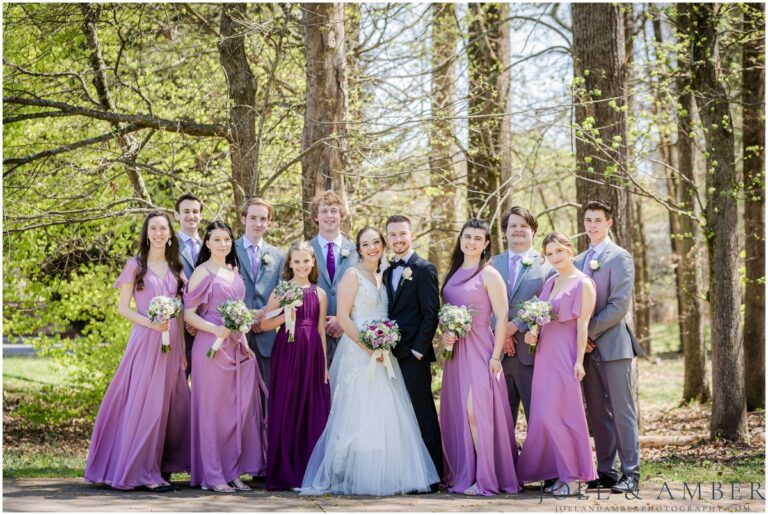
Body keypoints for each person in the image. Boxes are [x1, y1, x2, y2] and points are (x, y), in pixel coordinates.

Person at [300, 227, 439, 496]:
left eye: (376, 242)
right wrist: (368, 347)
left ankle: (386, 472)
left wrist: (382, 346)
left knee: (387, 412)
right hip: (359, 350)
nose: (372, 247)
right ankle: (353, 471)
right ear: (359, 249)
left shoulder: (383, 274)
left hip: (385, 351)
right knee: (358, 411)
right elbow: (343, 317)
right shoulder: (352, 275)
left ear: (383, 245)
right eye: (366, 244)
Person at [85, 211, 190, 492]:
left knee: (167, 407)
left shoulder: (176, 266)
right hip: (145, 339)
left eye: (163, 228)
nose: (158, 233)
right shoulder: (136, 265)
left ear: (170, 234)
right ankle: (141, 472)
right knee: (147, 404)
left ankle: (159, 467)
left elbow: (179, 312)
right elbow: (123, 308)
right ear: (146, 233)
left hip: (172, 344)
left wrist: (182, 350)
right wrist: (150, 324)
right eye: (153, 228)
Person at [440, 219, 520, 496]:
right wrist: (446, 333)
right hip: (456, 351)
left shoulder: (489, 274)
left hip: (481, 348)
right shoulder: (452, 273)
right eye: (467, 236)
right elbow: (444, 313)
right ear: (460, 239)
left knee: (477, 412)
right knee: (460, 413)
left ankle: (487, 477)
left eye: (477, 238)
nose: (471, 242)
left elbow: (502, 315)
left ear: (486, 243)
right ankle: (467, 472)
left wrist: (496, 356)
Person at [184, 220, 266, 493]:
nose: (223, 244)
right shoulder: (201, 272)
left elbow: (239, 310)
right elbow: (189, 314)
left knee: (236, 412)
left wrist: (246, 336)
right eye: (216, 239)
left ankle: (233, 472)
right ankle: (213, 474)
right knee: (213, 412)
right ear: (207, 243)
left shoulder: (234, 271)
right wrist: (214, 328)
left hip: (235, 345)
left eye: (227, 239)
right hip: (211, 347)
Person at [517, 232, 598, 496]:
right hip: (544, 354)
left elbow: (583, 326)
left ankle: (575, 478)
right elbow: (539, 317)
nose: (554, 257)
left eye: (558, 251)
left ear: (570, 250)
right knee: (543, 416)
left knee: (563, 415)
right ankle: (561, 473)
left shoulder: (584, 283)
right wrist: (532, 333)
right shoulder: (551, 282)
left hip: (565, 354)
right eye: (549, 254)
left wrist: (579, 361)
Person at [574, 200, 644, 494]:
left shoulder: (620, 257)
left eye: (598, 220)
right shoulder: (577, 261)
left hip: (614, 347)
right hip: (585, 351)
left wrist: (587, 333)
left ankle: (631, 473)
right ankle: (606, 471)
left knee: (621, 410)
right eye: (588, 220)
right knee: (597, 412)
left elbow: (618, 306)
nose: (592, 226)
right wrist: (580, 340)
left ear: (609, 223)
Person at [259, 241, 331, 491]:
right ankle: (285, 473)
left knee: (311, 408)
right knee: (287, 406)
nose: (302, 265)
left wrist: (324, 364)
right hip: (287, 352)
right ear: (290, 263)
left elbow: (320, 330)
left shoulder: (320, 293)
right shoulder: (281, 290)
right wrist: (285, 315)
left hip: (312, 354)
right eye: (297, 261)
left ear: (313, 262)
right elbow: (264, 324)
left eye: (306, 261)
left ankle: (308, 471)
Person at [382, 214, 444, 487]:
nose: (398, 239)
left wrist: (419, 350)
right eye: (393, 235)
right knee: (400, 414)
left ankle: (433, 475)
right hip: (389, 353)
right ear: (387, 238)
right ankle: (408, 472)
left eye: (402, 233)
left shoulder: (424, 268)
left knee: (422, 413)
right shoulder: (386, 272)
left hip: (414, 356)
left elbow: (431, 314)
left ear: (412, 235)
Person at [491, 206, 553, 430]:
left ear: (533, 230)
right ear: (505, 231)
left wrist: (515, 326)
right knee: (501, 419)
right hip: (498, 353)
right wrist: (502, 333)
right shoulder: (491, 264)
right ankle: (507, 454)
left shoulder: (547, 263)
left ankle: (536, 454)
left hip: (533, 352)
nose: (518, 230)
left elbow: (548, 301)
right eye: (513, 226)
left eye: (523, 226)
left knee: (537, 416)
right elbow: (485, 302)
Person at [233, 198, 285, 388]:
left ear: (269, 222)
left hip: (266, 334)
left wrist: (264, 314)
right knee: (237, 393)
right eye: (253, 218)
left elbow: (282, 292)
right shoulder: (228, 250)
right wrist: (245, 316)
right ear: (243, 219)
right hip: (235, 334)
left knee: (267, 393)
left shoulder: (279, 255)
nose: (258, 223)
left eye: (263, 219)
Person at [308, 191, 357, 366]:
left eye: (334, 211)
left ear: (342, 215)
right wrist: (319, 321)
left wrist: (342, 320)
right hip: (313, 335)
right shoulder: (304, 250)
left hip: (349, 336)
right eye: (324, 211)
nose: (329, 216)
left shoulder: (357, 251)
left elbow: (362, 292)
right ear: (315, 217)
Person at [174, 193, 203, 378]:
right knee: (178, 384)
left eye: (195, 211)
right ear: (177, 215)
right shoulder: (167, 246)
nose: (191, 215)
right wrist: (187, 318)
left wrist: (199, 318)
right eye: (186, 211)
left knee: (204, 386)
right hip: (176, 326)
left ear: (201, 215)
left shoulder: (211, 246)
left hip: (205, 326)